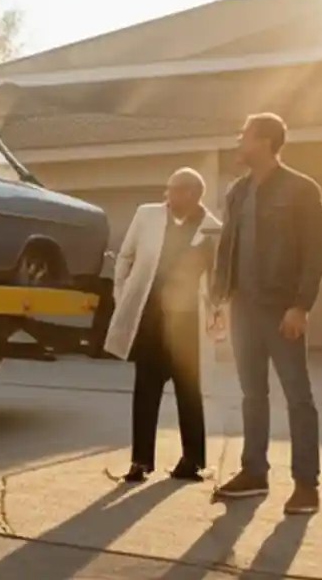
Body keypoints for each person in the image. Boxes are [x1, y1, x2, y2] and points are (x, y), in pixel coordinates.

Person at [210, 112, 322, 515]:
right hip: (242, 306)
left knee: (298, 397)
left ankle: (306, 485)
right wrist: (217, 298)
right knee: (252, 395)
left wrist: (301, 305)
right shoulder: (237, 192)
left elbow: (315, 254)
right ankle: (253, 472)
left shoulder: (301, 190)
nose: (239, 141)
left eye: (244, 135)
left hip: (282, 308)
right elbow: (226, 247)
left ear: (264, 141)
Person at [105, 167, 222, 483]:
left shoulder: (212, 229)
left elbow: (217, 281)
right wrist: (123, 295)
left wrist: (217, 315)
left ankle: (193, 462)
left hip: (187, 326)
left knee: (189, 392)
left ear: (190, 195)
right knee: (145, 389)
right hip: (150, 319)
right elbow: (125, 257)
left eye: (172, 190)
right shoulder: (147, 215)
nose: (166, 195)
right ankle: (140, 463)